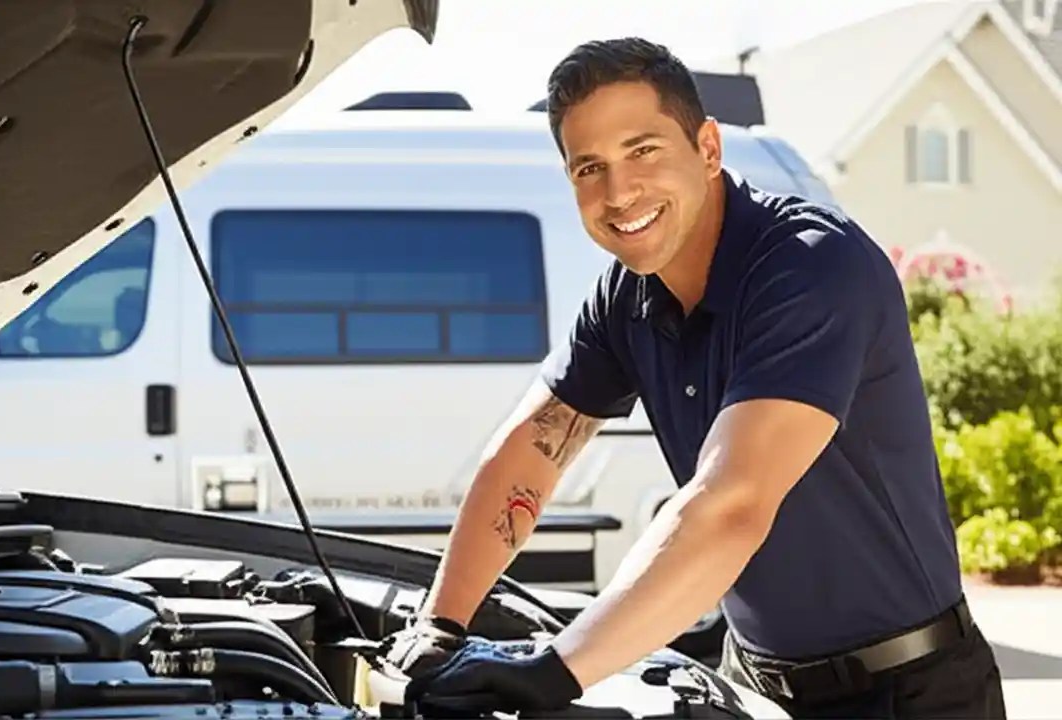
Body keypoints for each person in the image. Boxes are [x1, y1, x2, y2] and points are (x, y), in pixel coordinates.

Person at [385, 36, 1007, 719]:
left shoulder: (812, 268)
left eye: (643, 151)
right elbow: (532, 449)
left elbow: (730, 505)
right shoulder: (626, 298)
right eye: (590, 167)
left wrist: (559, 668)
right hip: (753, 684)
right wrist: (439, 626)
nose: (619, 192)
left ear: (708, 148)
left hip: (906, 694)